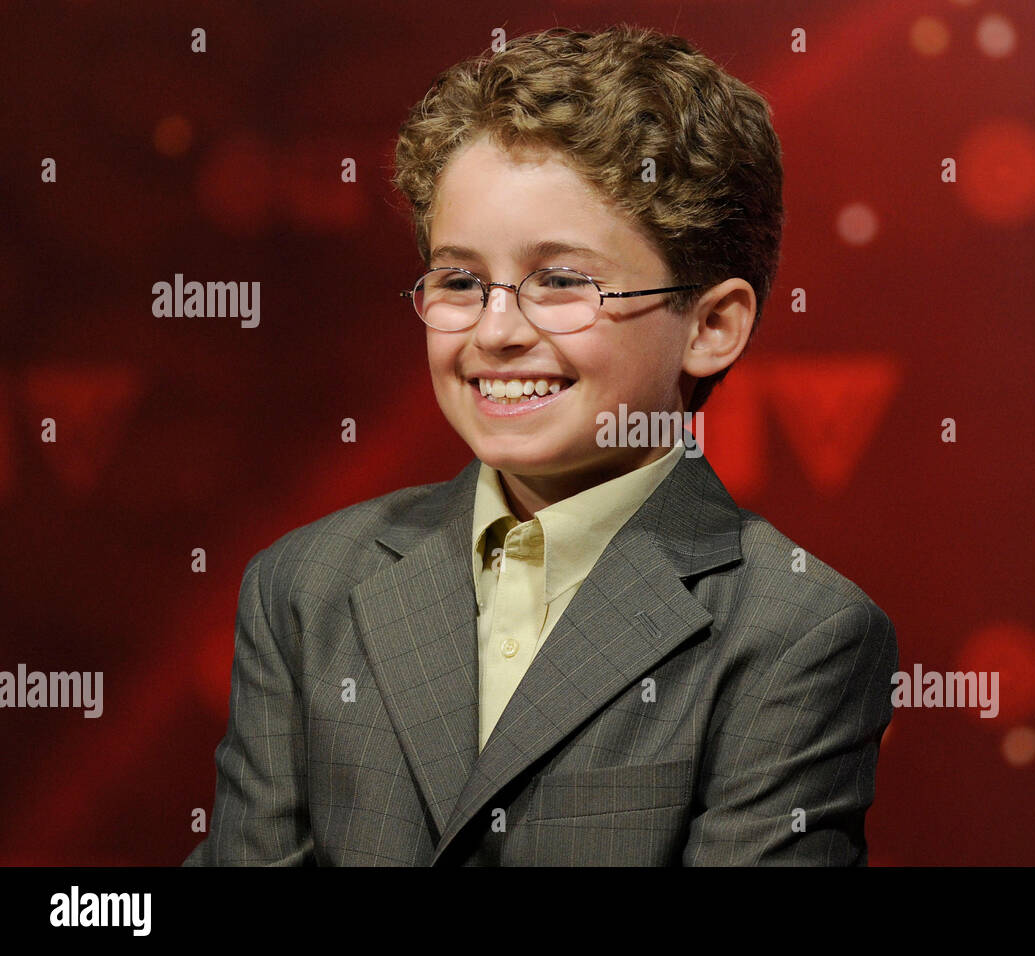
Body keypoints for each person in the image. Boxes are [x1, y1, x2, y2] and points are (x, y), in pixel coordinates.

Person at [184, 23, 897, 866]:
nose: (495, 330)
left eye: (561, 282)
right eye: (459, 281)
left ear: (711, 325)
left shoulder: (794, 632)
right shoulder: (307, 588)